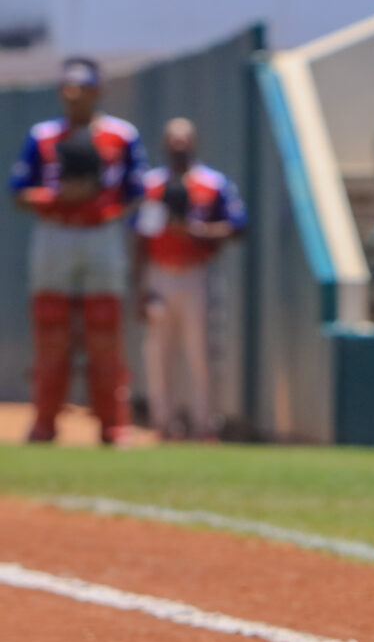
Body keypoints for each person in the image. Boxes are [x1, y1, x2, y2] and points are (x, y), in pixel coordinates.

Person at [12, 59, 143, 444]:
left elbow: (136, 192)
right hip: (56, 231)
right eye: (68, 91)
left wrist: (99, 203)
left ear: (96, 91)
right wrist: (57, 197)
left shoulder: (121, 135)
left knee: (104, 328)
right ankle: (45, 422)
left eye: (82, 91)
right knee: (51, 328)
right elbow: (18, 191)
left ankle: (113, 424)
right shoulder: (43, 135)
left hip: (100, 232)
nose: (74, 99)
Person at [132, 118, 244, 441]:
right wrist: (139, 287)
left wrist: (196, 231)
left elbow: (237, 226)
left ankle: (204, 425)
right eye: (173, 141)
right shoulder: (151, 184)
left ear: (194, 142)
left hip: (196, 272)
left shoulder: (212, 183)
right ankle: (163, 424)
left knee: (201, 352)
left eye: (184, 140)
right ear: (164, 144)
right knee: (158, 352)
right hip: (159, 273)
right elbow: (140, 237)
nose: (178, 147)